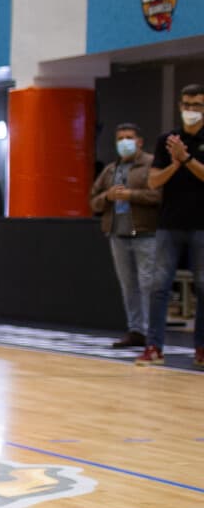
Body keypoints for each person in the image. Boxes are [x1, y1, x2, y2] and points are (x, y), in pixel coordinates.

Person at [143, 84, 204, 368]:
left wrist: (187, 158)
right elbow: (153, 181)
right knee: (159, 286)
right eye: (187, 104)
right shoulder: (166, 140)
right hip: (169, 223)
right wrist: (175, 164)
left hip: (202, 224)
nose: (191, 110)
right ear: (180, 106)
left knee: (203, 286)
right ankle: (154, 346)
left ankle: (201, 348)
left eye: (197, 105)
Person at [92, 123, 160, 350]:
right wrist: (108, 197)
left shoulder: (151, 164)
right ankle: (135, 330)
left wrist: (131, 195)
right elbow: (93, 200)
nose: (124, 142)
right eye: (120, 138)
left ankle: (152, 333)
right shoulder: (111, 170)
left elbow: (158, 196)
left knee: (148, 284)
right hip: (117, 233)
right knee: (128, 285)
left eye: (129, 137)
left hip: (145, 232)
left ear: (139, 141)